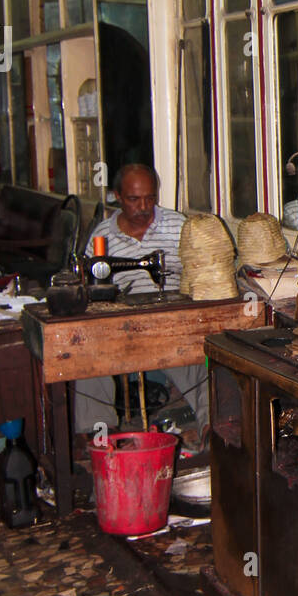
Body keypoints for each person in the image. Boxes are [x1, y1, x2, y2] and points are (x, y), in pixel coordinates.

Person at [72, 163, 209, 441]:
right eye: (135, 199)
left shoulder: (179, 225)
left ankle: (211, 427)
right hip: (121, 326)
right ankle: (99, 434)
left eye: (150, 198)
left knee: (198, 355)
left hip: (172, 321)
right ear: (117, 197)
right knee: (88, 357)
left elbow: (203, 269)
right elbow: (90, 285)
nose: (144, 206)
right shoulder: (102, 237)